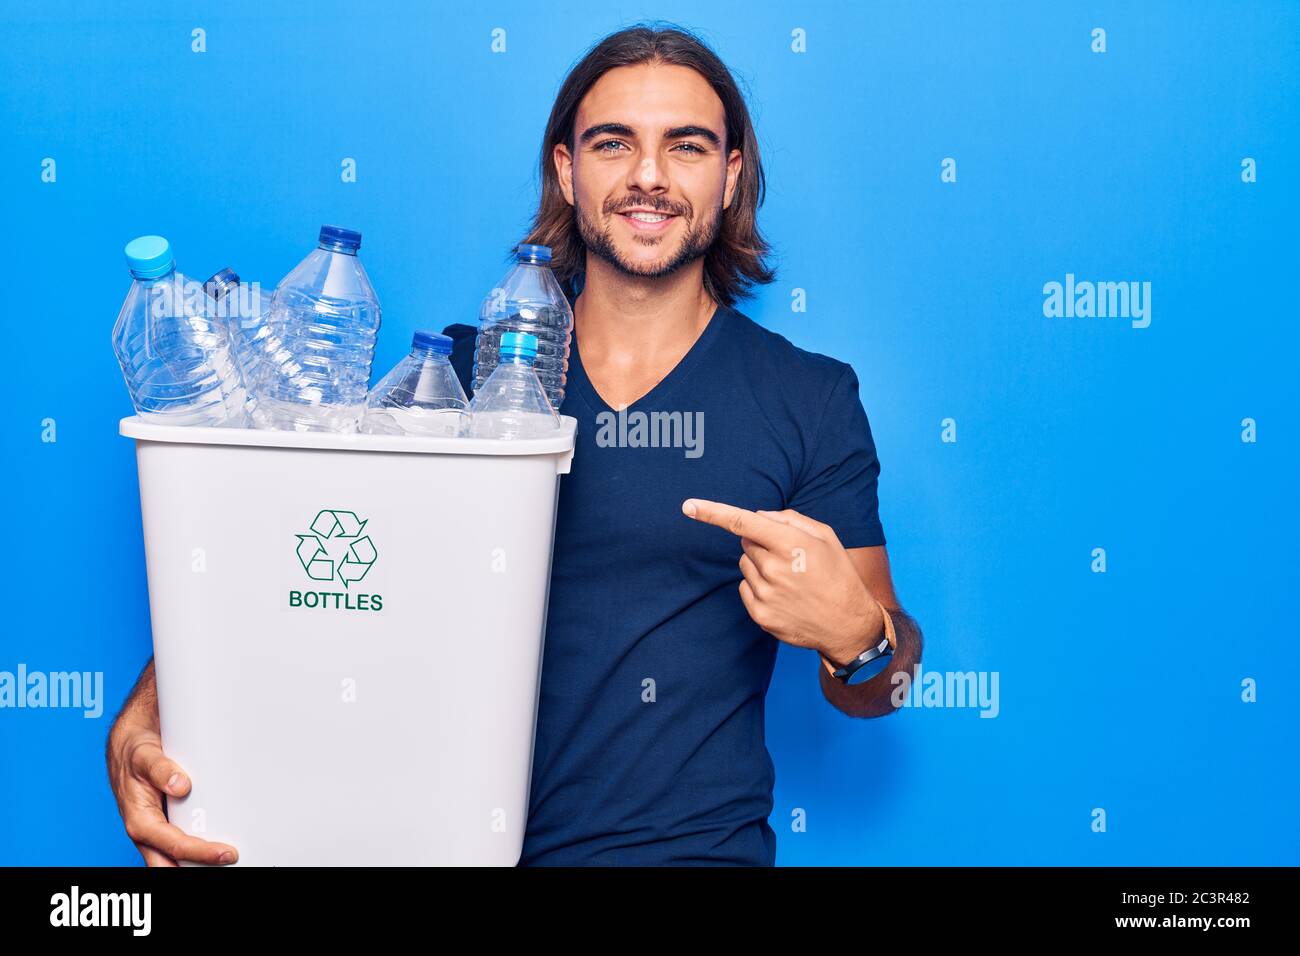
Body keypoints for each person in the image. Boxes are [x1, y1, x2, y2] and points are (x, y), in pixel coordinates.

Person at [107, 22, 923, 867]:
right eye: (614, 144)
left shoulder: (810, 399)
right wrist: (150, 708)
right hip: (429, 847)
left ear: (730, 174)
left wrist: (858, 638)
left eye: (686, 146)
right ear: (568, 172)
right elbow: (306, 563)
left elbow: (885, 687)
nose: (648, 175)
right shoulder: (453, 374)